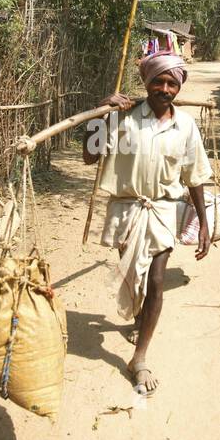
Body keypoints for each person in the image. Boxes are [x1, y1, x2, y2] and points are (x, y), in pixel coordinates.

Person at [82, 52, 212, 395]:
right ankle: (139, 318)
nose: (164, 89)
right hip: (126, 209)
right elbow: (89, 155)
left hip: (163, 211)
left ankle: (138, 358)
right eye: (158, 81)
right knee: (133, 276)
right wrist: (102, 112)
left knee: (156, 280)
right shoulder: (123, 118)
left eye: (171, 83)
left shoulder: (185, 126)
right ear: (147, 83)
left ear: (178, 88)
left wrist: (204, 223)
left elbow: (195, 177)